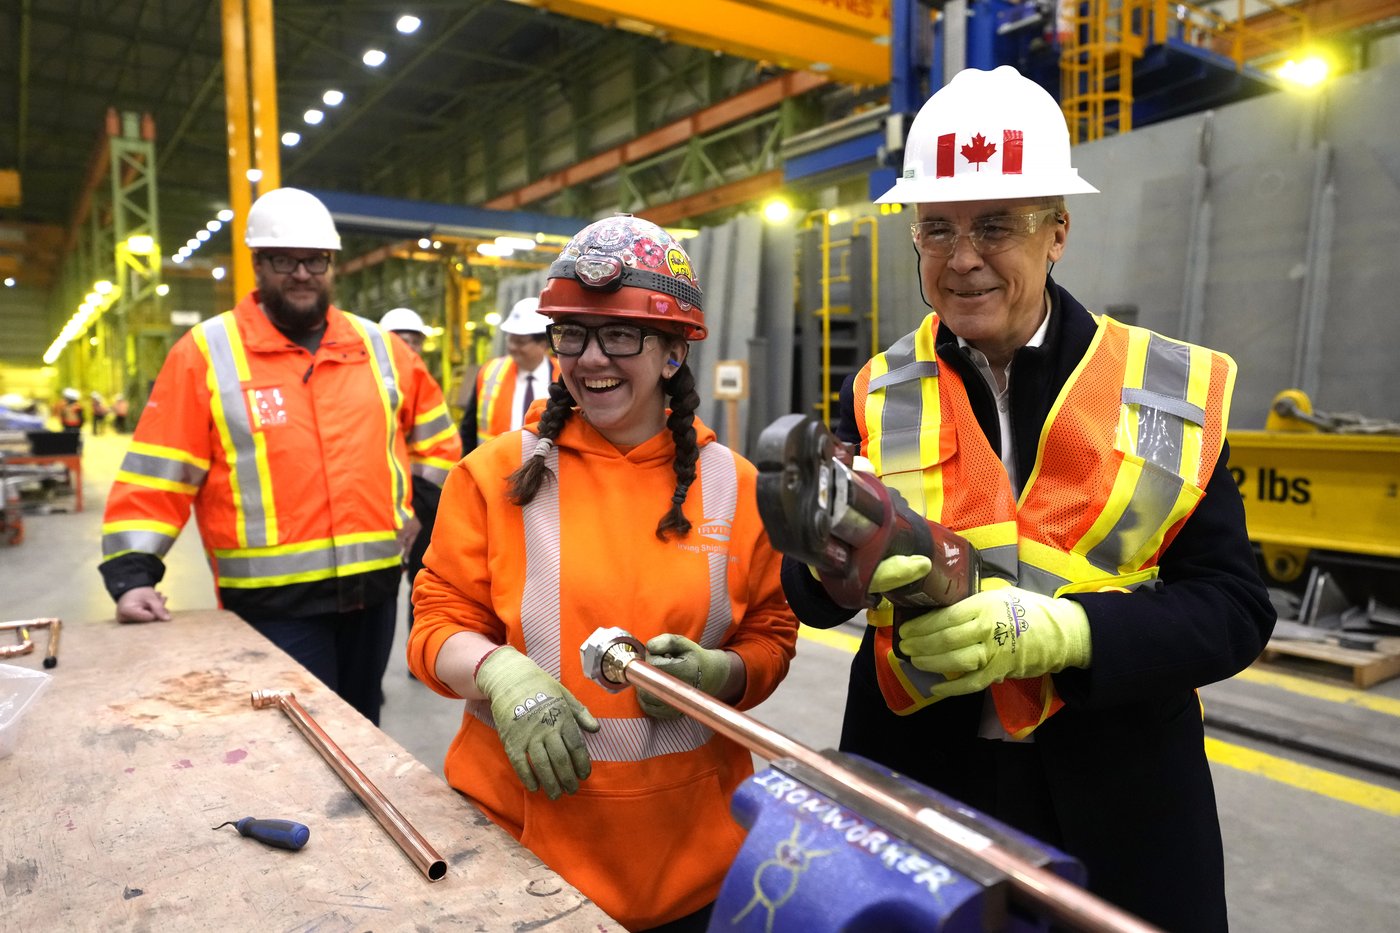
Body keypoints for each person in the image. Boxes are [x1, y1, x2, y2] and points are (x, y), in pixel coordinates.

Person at [778, 66, 1275, 932]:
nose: (962, 258)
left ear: (1057, 233)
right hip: (922, 787)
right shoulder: (878, 389)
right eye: (936, 229)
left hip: (1121, 801)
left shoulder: (1164, 389)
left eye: (996, 226)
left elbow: (1234, 609)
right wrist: (829, 555)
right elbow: (813, 600)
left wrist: (1072, 633)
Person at [409, 214, 798, 932]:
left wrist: (722, 674)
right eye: (573, 333)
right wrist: (500, 671)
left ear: (675, 352)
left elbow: (772, 634)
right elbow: (435, 626)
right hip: (517, 854)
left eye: (621, 335)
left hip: (690, 864)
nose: (592, 359)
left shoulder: (735, 488)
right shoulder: (495, 475)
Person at [98, 187, 461, 725]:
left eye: (315, 260)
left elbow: (437, 440)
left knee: (362, 729)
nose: (301, 273)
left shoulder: (380, 348)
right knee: (299, 737)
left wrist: (420, 509)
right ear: (259, 265)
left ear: (331, 264)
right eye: (284, 260)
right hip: (272, 606)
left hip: (373, 591)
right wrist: (134, 574)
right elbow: (160, 470)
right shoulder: (205, 354)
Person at [378, 306, 447, 640]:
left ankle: (418, 653)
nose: (406, 348)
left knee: (420, 579)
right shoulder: (365, 383)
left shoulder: (423, 382)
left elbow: (439, 453)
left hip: (417, 506)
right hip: (375, 509)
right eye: (398, 340)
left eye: (413, 341)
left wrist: (418, 511)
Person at [458, 296, 559, 453]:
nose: (512, 347)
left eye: (520, 342)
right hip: (496, 467)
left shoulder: (564, 376)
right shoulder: (490, 373)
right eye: (510, 339)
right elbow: (469, 430)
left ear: (544, 343)